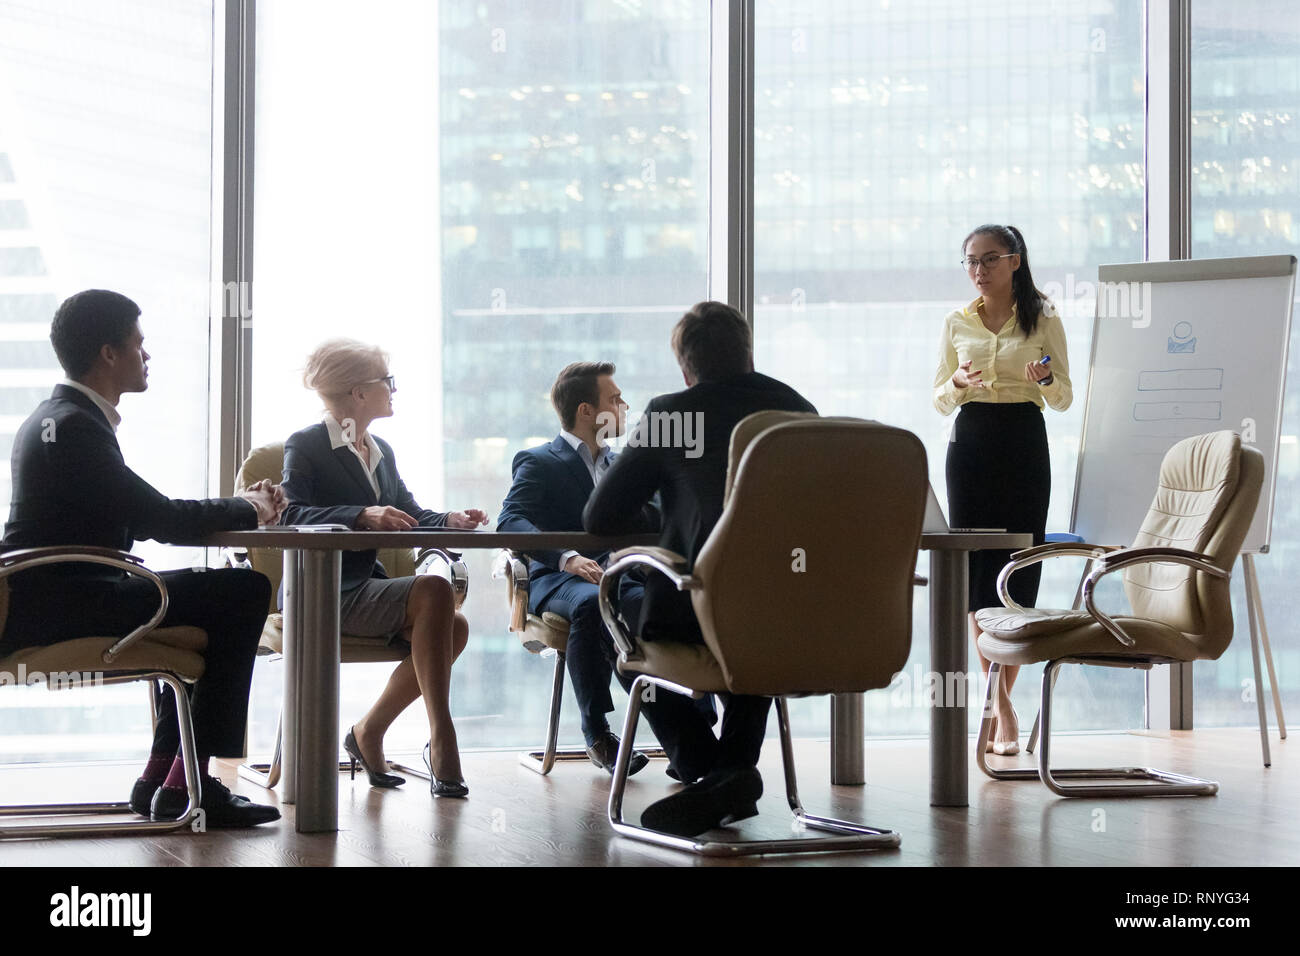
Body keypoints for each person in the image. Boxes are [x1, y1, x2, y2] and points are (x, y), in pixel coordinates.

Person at [1, 289, 283, 827]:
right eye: (138, 343)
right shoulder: (76, 428)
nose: (146, 355)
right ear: (109, 353)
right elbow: (164, 521)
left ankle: (164, 777)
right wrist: (251, 505)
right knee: (242, 591)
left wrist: (242, 508)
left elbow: (137, 513)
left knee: (214, 591)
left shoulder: (57, 417)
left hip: (52, 594)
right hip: (67, 601)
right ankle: (188, 783)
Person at [583, 301, 816, 837]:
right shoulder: (799, 410)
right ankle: (730, 773)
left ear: (686, 369)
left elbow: (600, 516)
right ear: (749, 354)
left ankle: (711, 772)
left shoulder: (672, 414)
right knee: (753, 635)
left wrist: (669, 508)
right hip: (800, 608)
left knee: (620, 642)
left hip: (700, 603)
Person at [280, 339, 487, 797]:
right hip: (323, 591)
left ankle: (368, 731)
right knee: (435, 590)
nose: (393, 390)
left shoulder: (380, 450)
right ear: (358, 393)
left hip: (365, 588)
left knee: (456, 628)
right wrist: (358, 514)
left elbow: (408, 511)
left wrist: (449, 520)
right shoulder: (307, 445)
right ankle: (442, 737)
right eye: (386, 382)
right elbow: (289, 516)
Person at [932, 224, 1072, 755]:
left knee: (1017, 569)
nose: (978, 270)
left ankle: (998, 703)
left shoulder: (1044, 317)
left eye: (989, 259)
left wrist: (1041, 381)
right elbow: (939, 398)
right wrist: (958, 385)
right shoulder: (956, 321)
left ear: (1015, 261)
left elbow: (1062, 399)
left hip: (1023, 443)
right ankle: (1003, 708)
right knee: (976, 576)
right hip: (968, 446)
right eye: (970, 260)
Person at [498, 362, 659, 775]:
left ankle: (684, 728)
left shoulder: (624, 465)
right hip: (560, 579)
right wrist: (566, 556)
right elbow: (511, 521)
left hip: (622, 578)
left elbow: (658, 518)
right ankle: (596, 731)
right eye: (615, 399)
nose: (624, 406)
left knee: (660, 604)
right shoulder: (538, 461)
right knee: (594, 605)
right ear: (586, 411)